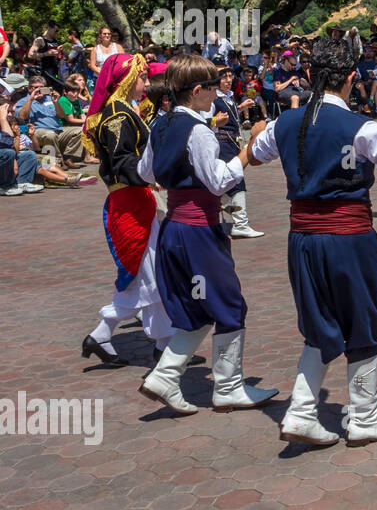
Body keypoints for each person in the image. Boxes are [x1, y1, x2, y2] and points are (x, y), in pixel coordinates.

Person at [245, 38, 377, 447]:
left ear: (308, 77)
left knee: (318, 324)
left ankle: (302, 410)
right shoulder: (361, 127)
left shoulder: (287, 122)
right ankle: (364, 417)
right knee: (361, 323)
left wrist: (257, 130)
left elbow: (253, 153)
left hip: (301, 238)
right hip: (348, 237)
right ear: (352, 77)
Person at [136, 54, 278, 415]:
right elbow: (217, 181)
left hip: (173, 228)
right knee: (229, 305)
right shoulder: (198, 130)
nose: (217, 93)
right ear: (197, 91)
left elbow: (145, 171)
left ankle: (165, 375)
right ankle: (228, 387)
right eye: (213, 87)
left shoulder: (162, 124)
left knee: (196, 309)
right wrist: (248, 151)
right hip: (198, 230)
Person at [79, 54, 174, 365]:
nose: (146, 83)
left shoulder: (123, 112)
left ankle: (103, 335)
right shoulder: (117, 116)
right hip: (131, 202)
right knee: (151, 273)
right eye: (141, 77)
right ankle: (164, 344)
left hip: (135, 199)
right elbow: (123, 162)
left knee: (143, 275)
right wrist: (156, 174)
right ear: (126, 79)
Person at [213, 67, 263, 239]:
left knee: (227, 183)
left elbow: (229, 118)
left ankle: (216, 216)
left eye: (230, 76)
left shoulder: (228, 97)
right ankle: (241, 223)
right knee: (235, 180)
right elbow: (210, 120)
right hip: (222, 143)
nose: (228, 80)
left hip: (232, 142)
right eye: (223, 77)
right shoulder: (213, 98)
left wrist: (240, 108)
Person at [1, 75, 43, 196]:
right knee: (8, 153)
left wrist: (30, 133)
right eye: (6, 112)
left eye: (11, 112)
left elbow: (21, 123)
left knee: (29, 154)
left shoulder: (12, 123)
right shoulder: (4, 122)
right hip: (4, 158)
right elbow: (7, 143)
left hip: (9, 159)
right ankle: (4, 186)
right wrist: (3, 120)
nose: (9, 114)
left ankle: (22, 183)